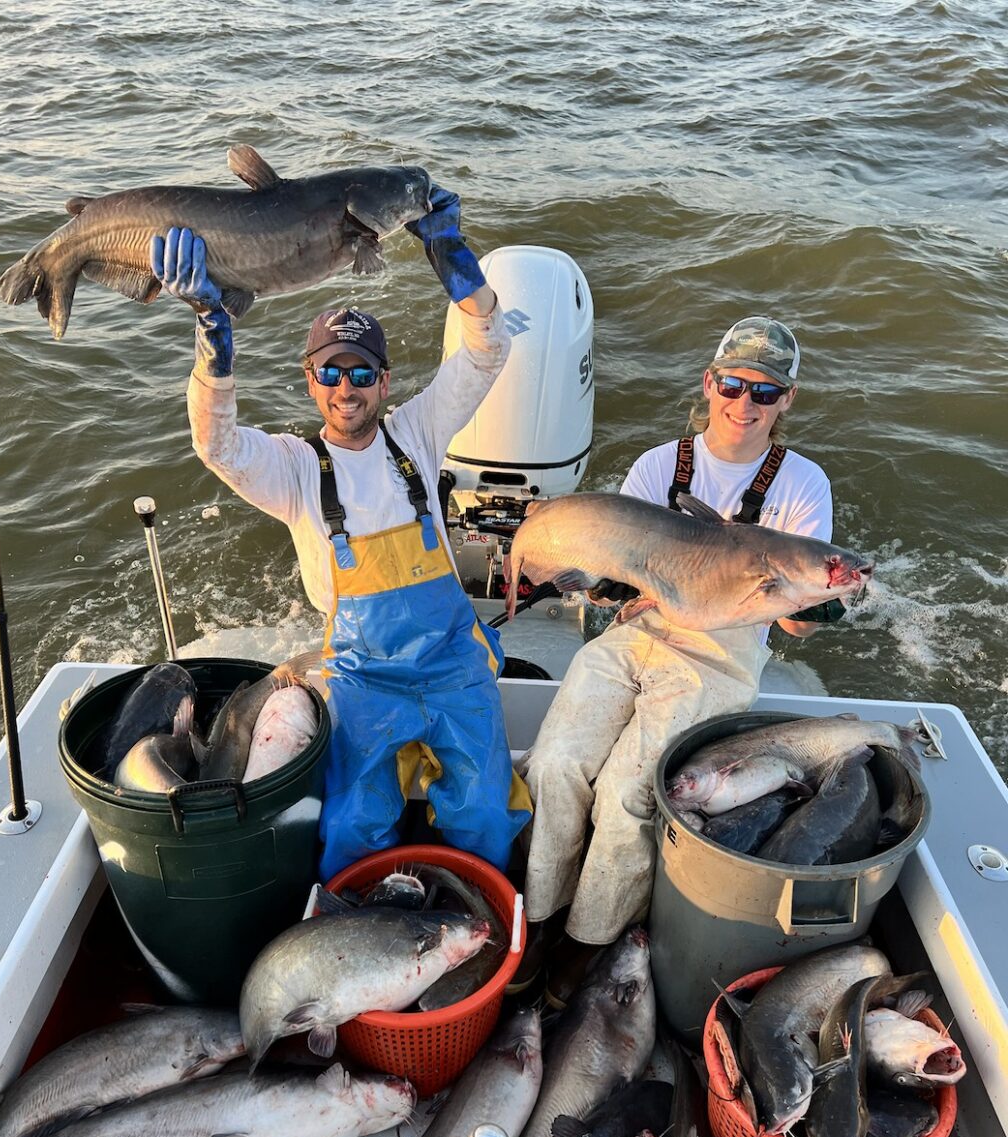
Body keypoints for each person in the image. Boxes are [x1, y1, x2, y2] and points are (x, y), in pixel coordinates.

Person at [149, 187, 531, 881]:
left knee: (482, 809)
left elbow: (487, 349)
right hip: (361, 678)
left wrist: (453, 257)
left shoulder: (417, 433)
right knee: (353, 820)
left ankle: (474, 909)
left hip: (452, 664)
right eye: (331, 370)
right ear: (310, 382)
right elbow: (217, 443)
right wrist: (212, 342)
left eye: (360, 372)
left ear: (384, 383)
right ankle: (356, 925)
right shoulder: (295, 469)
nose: (346, 386)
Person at [518, 316, 841, 1003]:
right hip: (638, 630)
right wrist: (592, 579)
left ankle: (589, 938)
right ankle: (542, 914)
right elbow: (621, 573)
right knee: (554, 763)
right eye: (733, 384)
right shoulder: (661, 465)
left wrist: (816, 602)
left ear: (786, 401)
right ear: (710, 383)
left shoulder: (804, 485)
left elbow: (794, 622)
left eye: (765, 391)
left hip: (718, 658)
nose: (744, 403)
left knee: (627, 793)